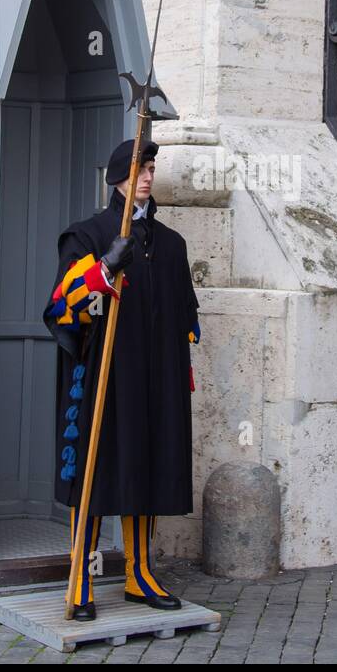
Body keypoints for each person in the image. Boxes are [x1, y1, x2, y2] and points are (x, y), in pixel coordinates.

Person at [42, 137, 201, 621]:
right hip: (103, 378)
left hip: (153, 380)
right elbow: (61, 304)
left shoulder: (172, 245)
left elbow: (184, 317)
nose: (147, 176)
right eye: (138, 168)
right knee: (96, 471)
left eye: (151, 167)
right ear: (116, 177)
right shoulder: (87, 235)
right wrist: (105, 266)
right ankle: (81, 578)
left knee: (145, 466)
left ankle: (139, 573)